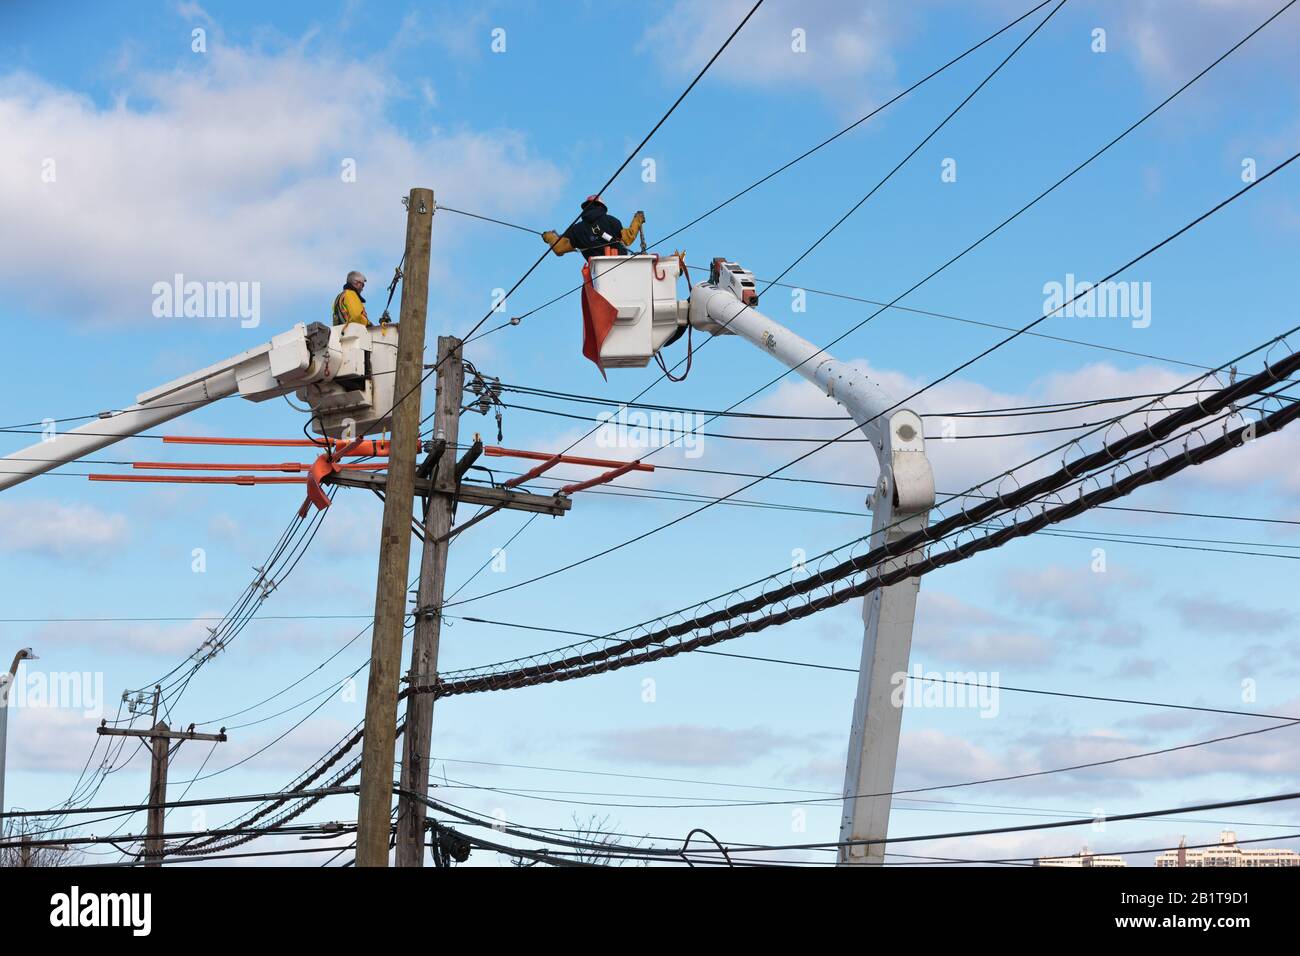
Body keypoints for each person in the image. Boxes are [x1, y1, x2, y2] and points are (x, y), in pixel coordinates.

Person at [541, 196, 645, 259]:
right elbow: (628, 238)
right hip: (619, 266)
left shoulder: (576, 230)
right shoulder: (611, 221)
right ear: (602, 207)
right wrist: (637, 220)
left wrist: (550, 237)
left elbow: (559, 248)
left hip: (598, 274)